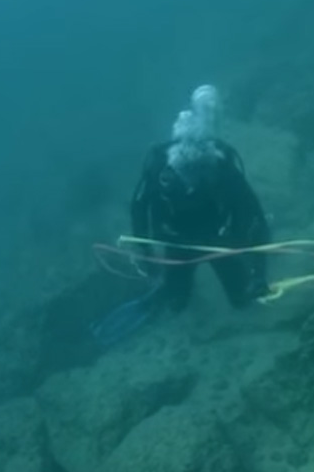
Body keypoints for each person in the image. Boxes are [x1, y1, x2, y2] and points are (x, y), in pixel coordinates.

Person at [96, 86, 272, 344]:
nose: (190, 185)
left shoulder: (221, 165)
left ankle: (210, 291)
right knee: (177, 304)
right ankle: (172, 297)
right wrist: (148, 259)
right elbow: (139, 209)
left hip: (218, 239)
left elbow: (253, 215)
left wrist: (259, 272)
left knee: (242, 301)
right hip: (176, 241)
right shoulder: (158, 163)